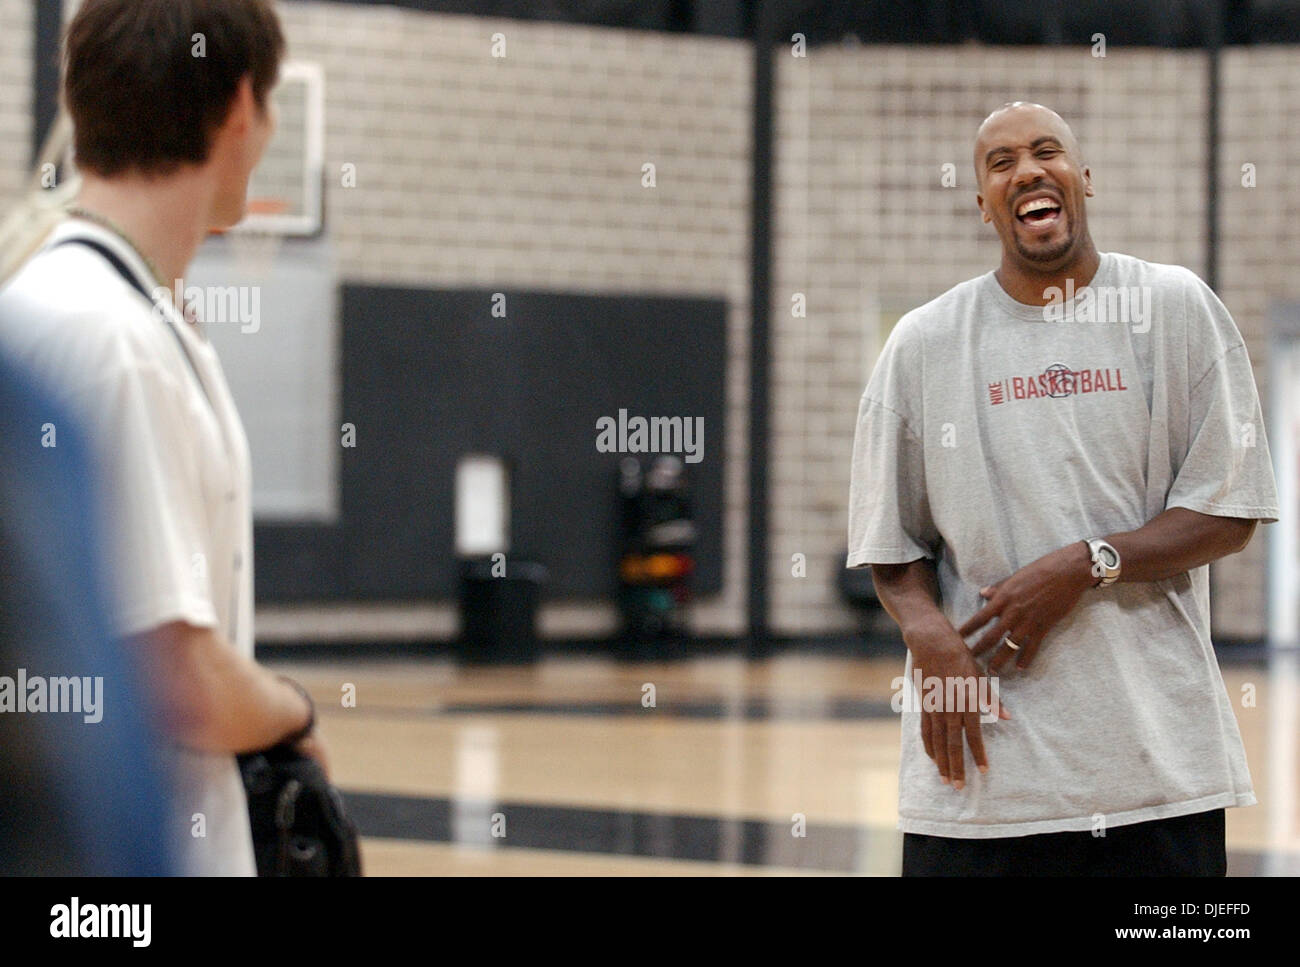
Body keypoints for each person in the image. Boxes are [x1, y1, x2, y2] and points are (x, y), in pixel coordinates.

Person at [847, 101, 1279, 876]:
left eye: (1046, 151)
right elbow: (892, 544)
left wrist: (1088, 561)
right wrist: (926, 632)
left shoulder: (1176, 310)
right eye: (1000, 162)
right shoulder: (922, 345)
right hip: (979, 787)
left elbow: (1229, 508)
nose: (1027, 170)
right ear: (983, 203)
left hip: (1158, 781)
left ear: (1083, 178)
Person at [0, 0, 327, 876]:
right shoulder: (111, 337)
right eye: (269, 104)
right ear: (234, 110)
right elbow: (173, 674)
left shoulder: (98, 302)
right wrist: (293, 712)